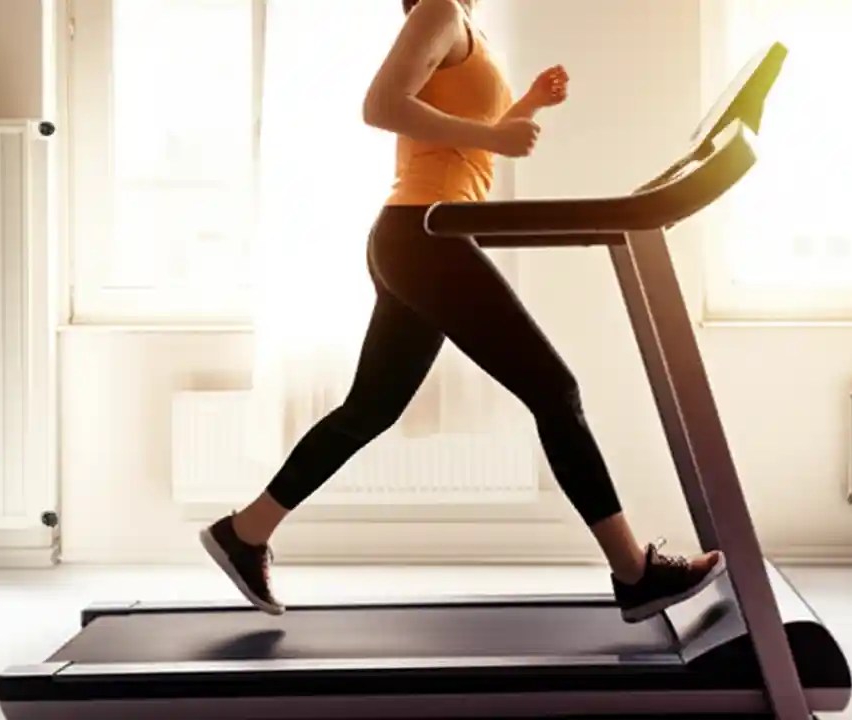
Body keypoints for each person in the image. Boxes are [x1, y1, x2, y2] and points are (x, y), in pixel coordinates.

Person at [201, 0, 724, 624]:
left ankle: (246, 531)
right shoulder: (438, 9)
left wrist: (523, 107)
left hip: (420, 236)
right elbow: (380, 106)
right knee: (556, 392)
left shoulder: (466, 25)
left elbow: (463, 140)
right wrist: (495, 133)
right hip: (424, 235)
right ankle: (635, 572)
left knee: (370, 409)